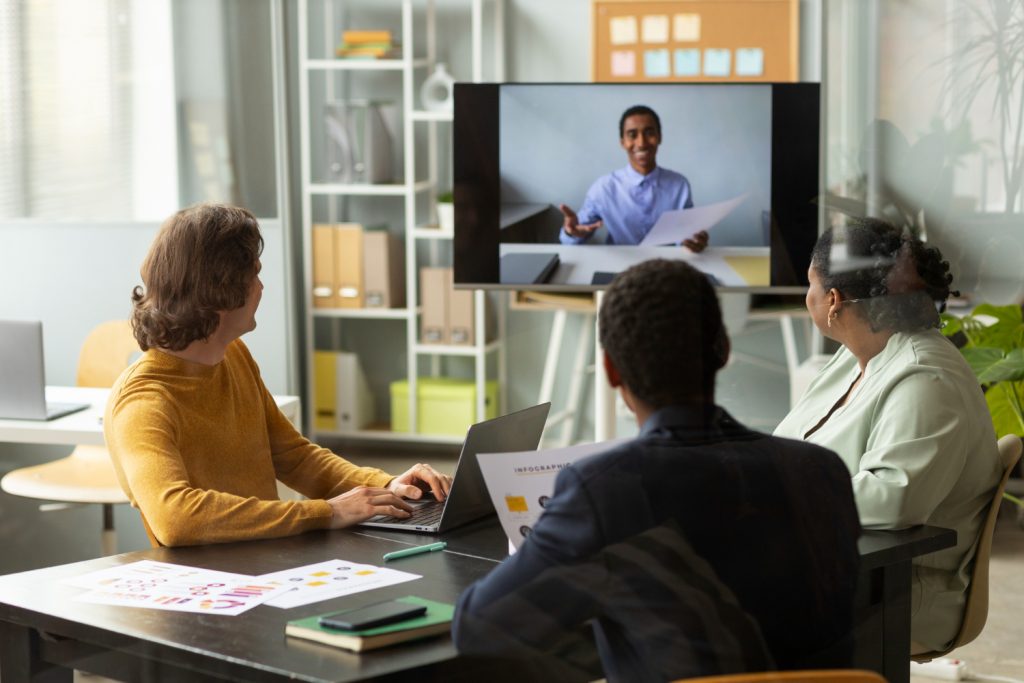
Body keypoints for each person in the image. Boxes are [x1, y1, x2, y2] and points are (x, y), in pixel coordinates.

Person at [453, 259, 861, 681]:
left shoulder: (606, 489)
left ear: (611, 369)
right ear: (722, 349)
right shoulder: (822, 470)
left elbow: (479, 630)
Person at [104, 203, 452, 547]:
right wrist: (325, 513)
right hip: (210, 585)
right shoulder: (143, 403)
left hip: (268, 563)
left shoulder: (232, 355)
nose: (260, 287)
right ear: (220, 288)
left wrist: (388, 487)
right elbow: (175, 519)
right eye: (253, 274)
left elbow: (293, 457)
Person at [773, 218, 1002, 653]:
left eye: (810, 285)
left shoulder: (925, 375)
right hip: (840, 563)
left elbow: (894, 497)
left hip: (897, 588)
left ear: (834, 301)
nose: (808, 297)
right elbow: (791, 445)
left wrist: (782, 491)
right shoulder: (856, 356)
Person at [558, 104, 709, 250]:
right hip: (619, 268)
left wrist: (693, 241)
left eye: (649, 133)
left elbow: (684, 235)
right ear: (622, 142)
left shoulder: (679, 185)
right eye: (632, 135)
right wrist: (571, 233)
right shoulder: (604, 188)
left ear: (659, 137)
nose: (641, 143)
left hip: (666, 267)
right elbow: (572, 237)